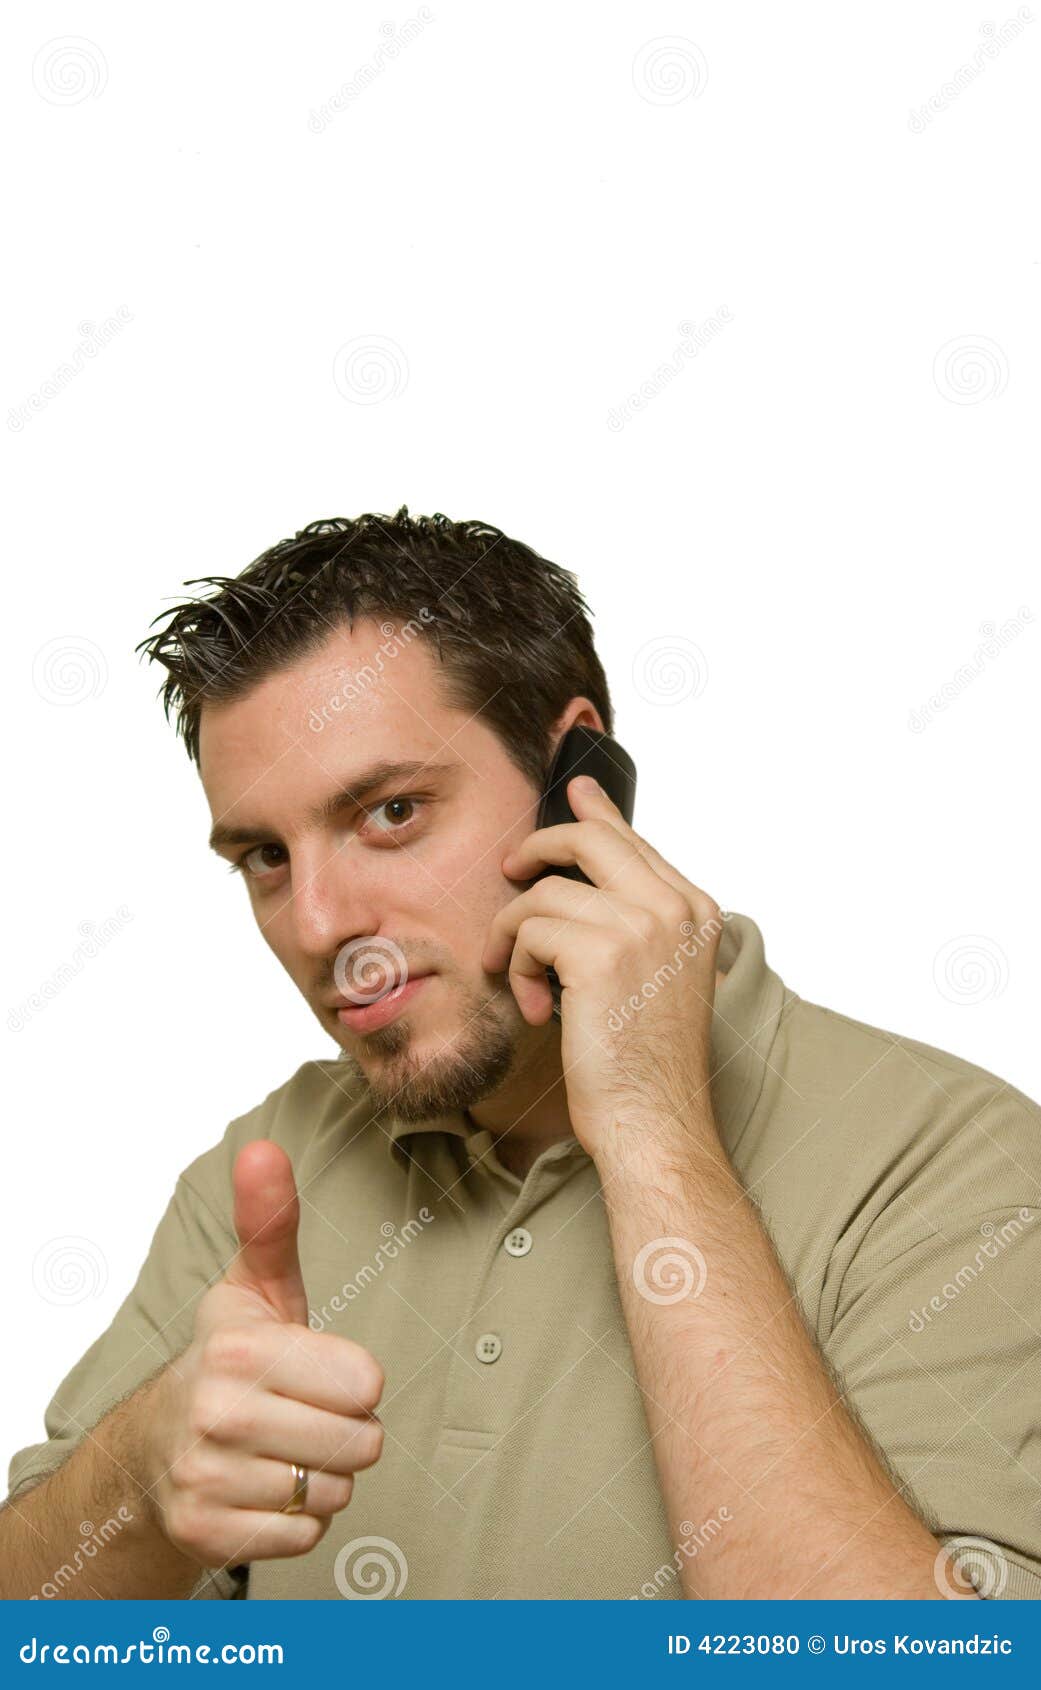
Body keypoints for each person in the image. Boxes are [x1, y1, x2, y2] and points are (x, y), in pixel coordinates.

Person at [2, 508, 1038, 1601]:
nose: (315, 924)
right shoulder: (267, 1171)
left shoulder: (960, 1165)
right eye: (264, 855)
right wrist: (142, 1480)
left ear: (574, 773)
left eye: (391, 811)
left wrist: (650, 1125)